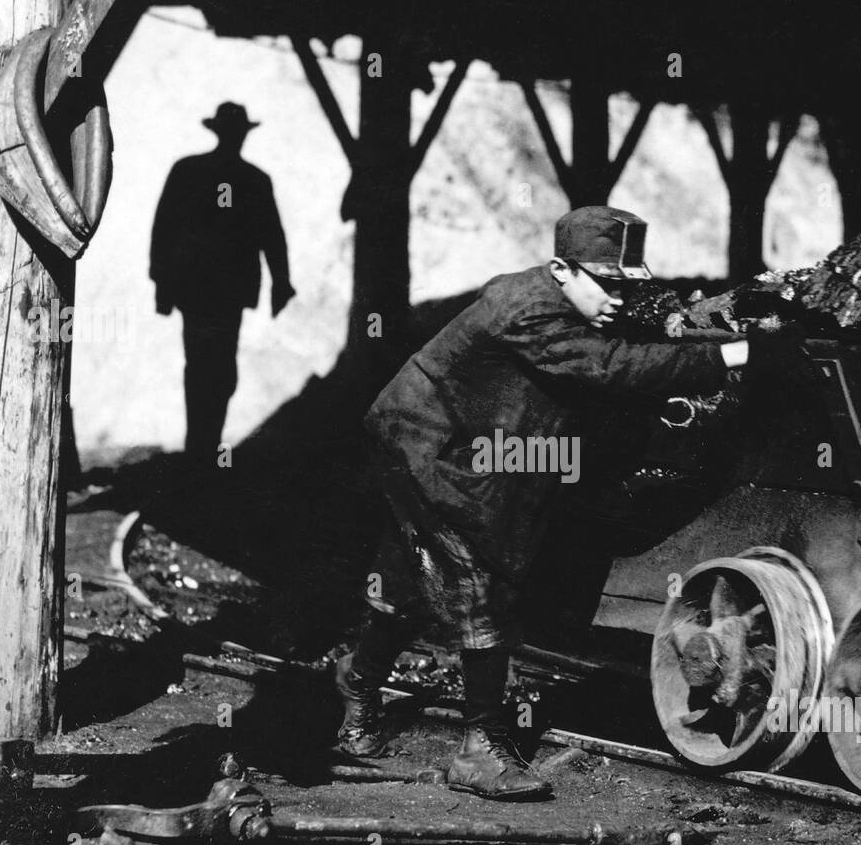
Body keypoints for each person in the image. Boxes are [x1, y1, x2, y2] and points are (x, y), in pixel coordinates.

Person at [337, 205, 803, 800]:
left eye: (626, 287)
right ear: (562, 269)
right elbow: (608, 366)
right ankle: (480, 749)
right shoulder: (526, 309)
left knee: (411, 580)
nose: (617, 299)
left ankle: (358, 680)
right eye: (606, 284)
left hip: (480, 443)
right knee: (479, 578)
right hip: (427, 445)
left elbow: (614, 352)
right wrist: (738, 354)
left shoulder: (571, 299)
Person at [150, 102, 296, 461]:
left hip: (201, 291)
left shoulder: (190, 171)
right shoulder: (251, 179)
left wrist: (162, 283)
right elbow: (166, 228)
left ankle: (202, 449)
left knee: (205, 366)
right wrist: (280, 282)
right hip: (216, 292)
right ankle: (203, 448)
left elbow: (164, 230)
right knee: (215, 368)